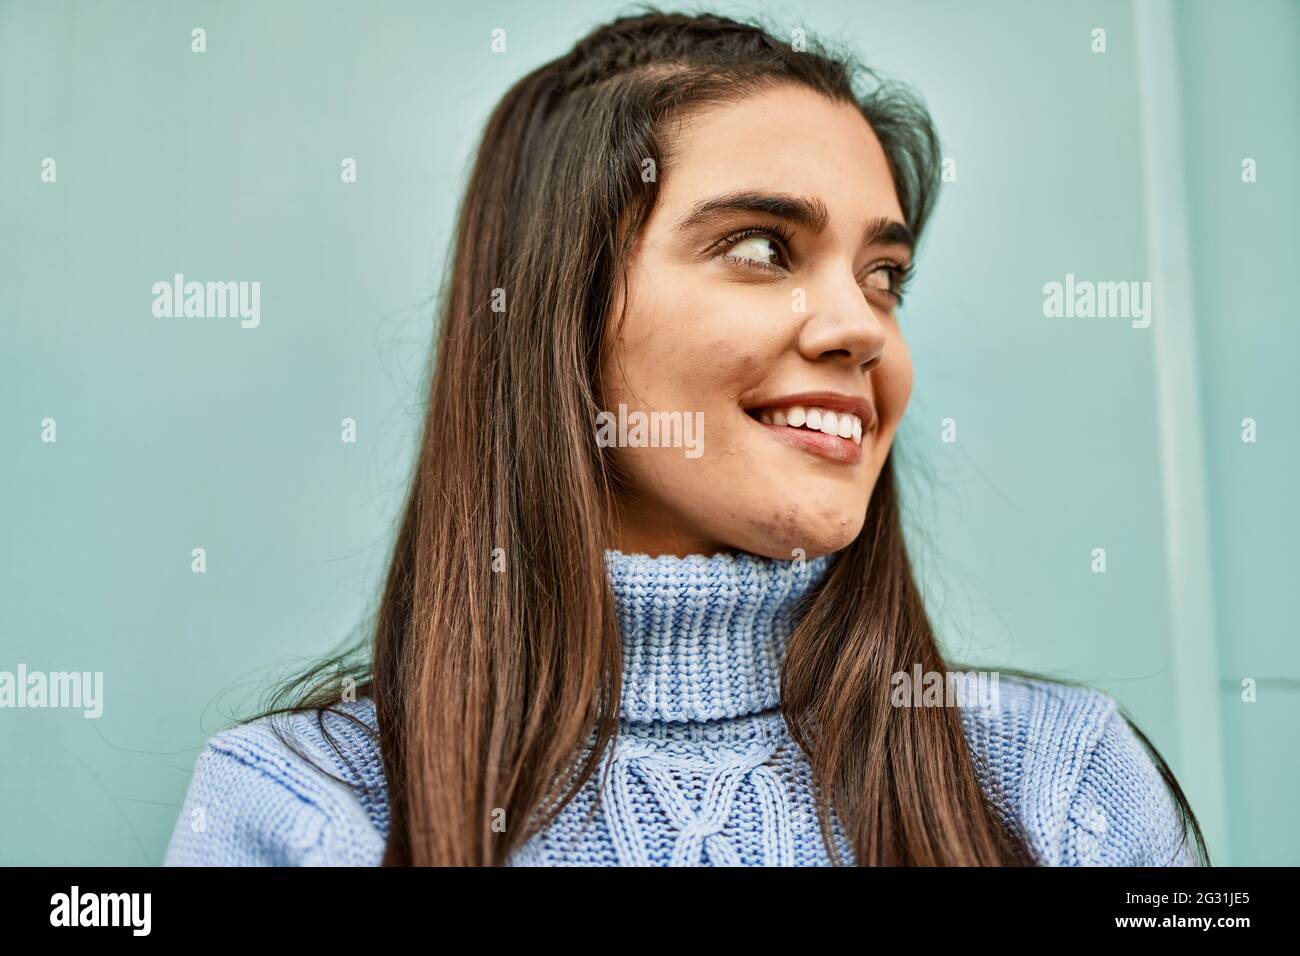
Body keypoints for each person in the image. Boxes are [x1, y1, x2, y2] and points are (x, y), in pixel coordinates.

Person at [164, 7, 1207, 867]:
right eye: (761, 247)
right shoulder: (303, 810)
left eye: (882, 275)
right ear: (557, 311)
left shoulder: (1061, 784)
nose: (859, 328)